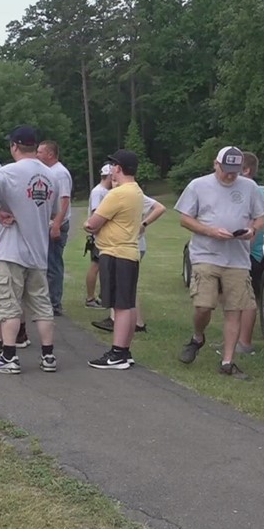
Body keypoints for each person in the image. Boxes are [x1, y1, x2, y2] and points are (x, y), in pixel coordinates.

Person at [0, 125, 60, 374]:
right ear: (34, 146)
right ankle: (48, 356)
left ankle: (9, 357)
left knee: (8, 304)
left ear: (14, 146)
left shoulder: (9, 171)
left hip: (10, 250)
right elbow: (54, 212)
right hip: (38, 251)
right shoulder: (50, 176)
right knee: (42, 305)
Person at [176, 146, 264, 379]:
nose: (230, 175)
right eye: (226, 170)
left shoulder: (250, 187)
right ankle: (198, 337)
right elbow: (185, 219)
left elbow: (261, 217)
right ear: (215, 164)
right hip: (206, 254)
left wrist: (251, 230)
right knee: (204, 306)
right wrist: (210, 231)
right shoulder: (198, 185)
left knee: (234, 309)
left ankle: (227, 362)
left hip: (237, 258)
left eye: (235, 171)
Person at [85, 150, 145, 370]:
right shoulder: (136, 190)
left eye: (113, 166)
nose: (111, 170)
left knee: (120, 306)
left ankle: (117, 352)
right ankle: (124, 350)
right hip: (129, 252)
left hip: (116, 252)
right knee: (127, 304)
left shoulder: (117, 194)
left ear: (118, 169)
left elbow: (93, 222)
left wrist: (88, 226)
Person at [91, 183, 166, 334]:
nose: (114, 181)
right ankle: (134, 321)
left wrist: (144, 223)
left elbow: (160, 208)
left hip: (128, 246)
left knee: (121, 285)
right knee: (128, 285)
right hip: (132, 245)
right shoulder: (132, 195)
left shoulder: (130, 195)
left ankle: (119, 321)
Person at [37, 140, 72, 316]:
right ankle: (47, 300)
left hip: (56, 224)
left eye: (40, 152)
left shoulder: (60, 173)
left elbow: (64, 200)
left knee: (54, 264)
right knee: (47, 263)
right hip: (49, 224)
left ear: (50, 154)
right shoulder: (50, 172)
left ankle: (54, 304)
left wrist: (56, 224)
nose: (37, 155)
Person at [238, 152, 264, 354]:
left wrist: (244, 253)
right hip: (239, 255)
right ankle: (234, 339)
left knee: (247, 299)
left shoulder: (253, 191)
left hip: (248, 255)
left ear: (246, 170)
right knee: (235, 299)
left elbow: (255, 225)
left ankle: (245, 344)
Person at [84, 164, 113, 308]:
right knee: (96, 266)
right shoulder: (99, 192)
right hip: (99, 235)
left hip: (103, 235)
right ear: (108, 176)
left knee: (103, 267)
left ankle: (102, 296)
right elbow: (97, 212)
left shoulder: (105, 191)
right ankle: (90, 298)